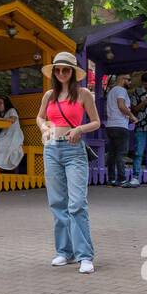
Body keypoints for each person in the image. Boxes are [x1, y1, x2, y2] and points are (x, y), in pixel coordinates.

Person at [37, 51, 100, 274]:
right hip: (51, 149)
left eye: (66, 70)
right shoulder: (49, 95)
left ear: (73, 72)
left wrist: (79, 129)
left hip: (74, 151)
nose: (62, 73)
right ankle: (65, 252)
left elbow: (96, 122)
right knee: (57, 203)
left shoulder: (83, 94)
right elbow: (40, 117)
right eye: (58, 69)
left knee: (77, 204)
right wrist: (44, 128)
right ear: (54, 72)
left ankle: (85, 256)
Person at [104, 73, 136, 187]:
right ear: (122, 79)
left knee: (112, 153)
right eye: (129, 80)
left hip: (110, 125)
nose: (130, 82)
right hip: (120, 125)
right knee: (121, 153)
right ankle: (122, 179)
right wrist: (132, 116)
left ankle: (111, 179)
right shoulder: (121, 90)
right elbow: (121, 105)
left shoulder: (111, 91)